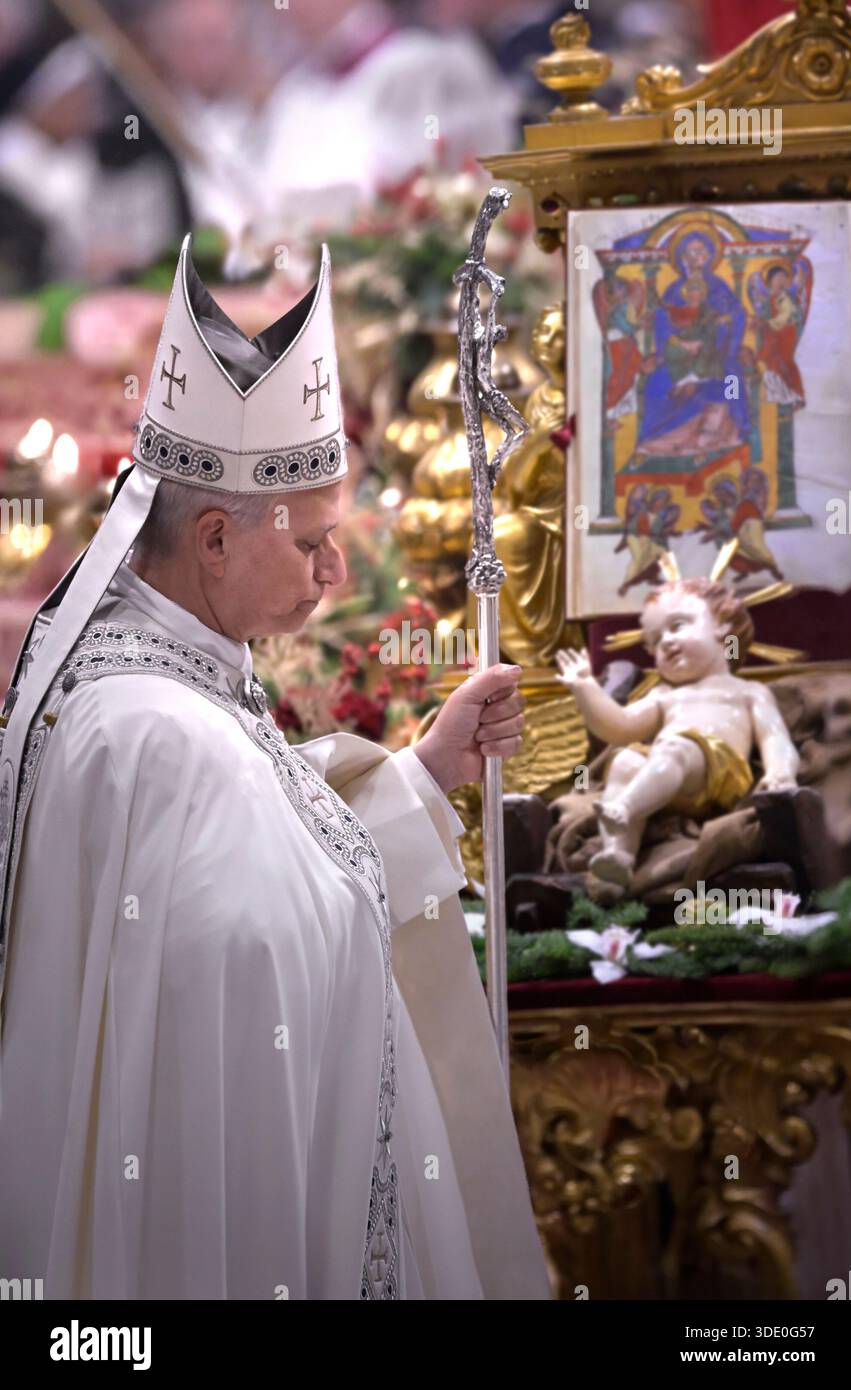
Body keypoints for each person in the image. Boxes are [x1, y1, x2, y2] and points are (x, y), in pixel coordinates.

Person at [0, 235, 551, 1300]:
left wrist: (421, 775)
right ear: (212, 538)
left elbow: (276, 860)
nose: (336, 573)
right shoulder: (152, 735)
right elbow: (253, 975)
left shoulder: (163, 683)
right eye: (310, 545)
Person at [554, 578, 799, 894]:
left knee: (676, 746)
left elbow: (774, 738)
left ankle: (625, 810)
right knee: (626, 760)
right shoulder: (664, 695)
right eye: (655, 640)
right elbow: (619, 726)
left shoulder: (747, 691)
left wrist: (781, 772)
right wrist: (585, 686)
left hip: (720, 776)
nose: (666, 642)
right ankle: (617, 856)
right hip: (666, 779)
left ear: (723, 626)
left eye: (678, 626)